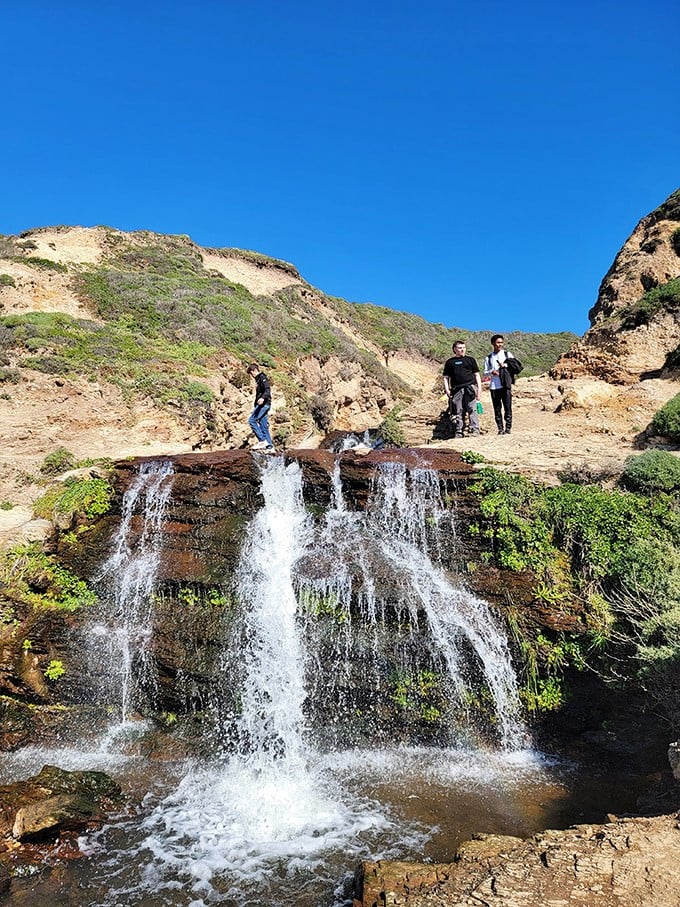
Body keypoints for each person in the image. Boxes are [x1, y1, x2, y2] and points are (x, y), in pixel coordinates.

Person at [443, 340, 482, 438]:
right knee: (458, 411)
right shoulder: (450, 362)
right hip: (456, 389)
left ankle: (475, 430)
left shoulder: (470, 360)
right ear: (454, 349)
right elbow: (446, 377)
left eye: (464, 347)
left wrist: (479, 389)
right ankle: (458, 432)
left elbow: (477, 375)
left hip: (470, 387)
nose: (462, 350)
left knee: (472, 409)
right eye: (460, 348)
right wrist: (447, 389)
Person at [483, 334, 516, 435]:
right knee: (497, 408)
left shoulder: (507, 354)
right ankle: (500, 429)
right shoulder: (488, 358)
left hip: (505, 384)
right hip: (494, 386)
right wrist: (491, 372)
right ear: (493, 343)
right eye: (498, 342)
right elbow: (485, 372)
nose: (500, 344)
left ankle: (508, 428)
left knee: (507, 407)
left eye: (501, 342)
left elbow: (514, 366)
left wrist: (504, 365)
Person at [247, 363, 274, 450]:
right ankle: (270, 447)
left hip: (263, 404)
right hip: (264, 405)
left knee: (252, 420)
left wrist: (262, 398)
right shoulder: (259, 379)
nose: (252, 376)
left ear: (255, 370)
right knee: (263, 426)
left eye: (251, 374)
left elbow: (267, 389)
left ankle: (262, 441)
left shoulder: (262, 377)